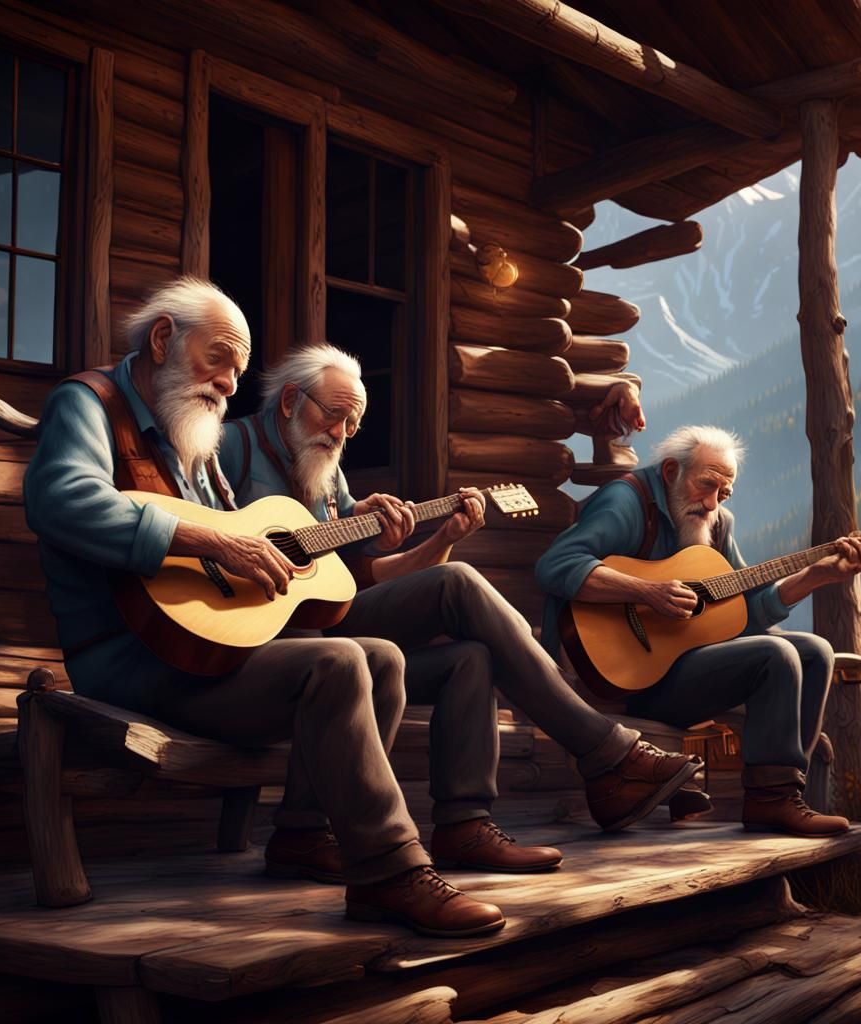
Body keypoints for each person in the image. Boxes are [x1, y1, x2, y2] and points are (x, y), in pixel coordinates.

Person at [23, 277, 505, 938]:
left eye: (237, 371)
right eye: (217, 358)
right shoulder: (88, 403)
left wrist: (287, 559)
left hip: (202, 652)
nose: (227, 384)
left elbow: (234, 566)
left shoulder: (196, 442)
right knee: (335, 664)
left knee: (384, 658)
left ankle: (306, 837)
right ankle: (391, 870)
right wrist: (207, 539)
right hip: (129, 662)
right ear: (163, 338)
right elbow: (59, 501)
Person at [218, 344, 703, 877]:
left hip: (323, 624)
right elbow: (204, 548)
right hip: (255, 640)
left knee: (468, 657)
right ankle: (607, 753)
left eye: (351, 425)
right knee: (458, 583)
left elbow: (355, 581)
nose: (339, 434)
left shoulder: (328, 474)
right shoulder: (231, 447)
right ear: (289, 400)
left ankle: (464, 826)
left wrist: (443, 537)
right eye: (332, 414)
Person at [536, 425, 861, 837]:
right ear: (672, 471)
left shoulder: (717, 523)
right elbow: (555, 566)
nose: (711, 503)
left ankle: (784, 793)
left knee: (814, 651)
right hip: (612, 680)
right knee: (775, 654)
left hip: (672, 672)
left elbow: (741, 615)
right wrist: (647, 592)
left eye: (723, 493)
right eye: (705, 485)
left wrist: (813, 577)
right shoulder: (626, 501)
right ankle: (771, 801)